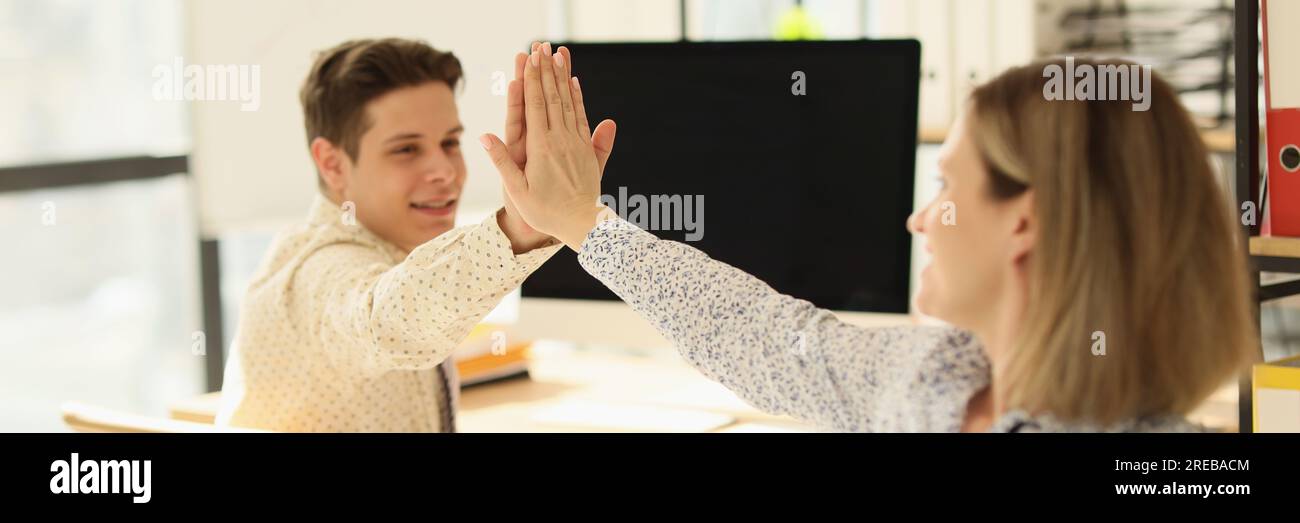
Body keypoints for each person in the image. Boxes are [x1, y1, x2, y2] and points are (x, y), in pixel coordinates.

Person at [480, 45, 1255, 432]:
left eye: (948, 185)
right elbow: (761, 332)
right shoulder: (937, 377)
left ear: (1025, 219)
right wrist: (585, 223)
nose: (921, 217)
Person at [217, 39, 614, 432]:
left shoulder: (391, 253)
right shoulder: (313, 274)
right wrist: (516, 229)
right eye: (406, 149)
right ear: (332, 163)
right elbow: (385, 321)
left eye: (449, 142)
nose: (445, 171)